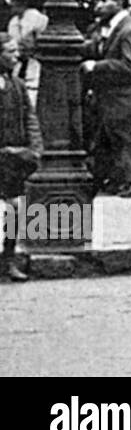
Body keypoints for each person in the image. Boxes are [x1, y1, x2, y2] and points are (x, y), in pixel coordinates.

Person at [81, 0, 131, 197]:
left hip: (125, 98)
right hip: (113, 99)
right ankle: (107, 180)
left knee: (129, 143)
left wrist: (96, 66)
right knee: (108, 142)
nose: (99, 5)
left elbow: (130, 65)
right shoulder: (116, 26)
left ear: (118, 3)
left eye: (104, 0)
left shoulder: (128, 30)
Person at [0, 33, 42, 282]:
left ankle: (8, 259)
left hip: (13, 157)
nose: (16, 57)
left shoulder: (17, 85)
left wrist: (34, 149)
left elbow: (30, 118)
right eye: (10, 52)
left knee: (15, 208)